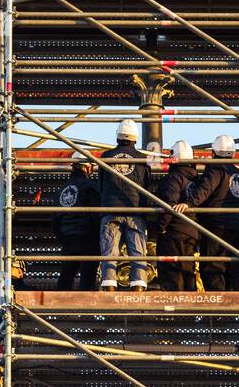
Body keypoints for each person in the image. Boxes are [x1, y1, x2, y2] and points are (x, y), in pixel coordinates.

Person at [182, 133, 239, 291]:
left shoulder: (216, 170)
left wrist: (188, 203)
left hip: (217, 225)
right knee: (233, 267)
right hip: (237, 227)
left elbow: (205, 190)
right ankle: (232, 308)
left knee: (212, 267)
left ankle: (219, 309)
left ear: (213, 152)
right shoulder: (237, 172)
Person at [98, 120, 150, 291]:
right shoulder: (142, 159)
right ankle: (139, 286)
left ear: (118, 136)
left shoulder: (106, 157)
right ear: (135, 137)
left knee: (109, 251)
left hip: (110, 209)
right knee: (137, 252)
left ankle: (109, 285)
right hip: (135, 209)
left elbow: (101, 183)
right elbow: (146, 185)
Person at [156, 141, 201, 291]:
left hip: (174, 231)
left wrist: (161, 227)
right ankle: (188, 311)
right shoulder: (197, 181)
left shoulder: (174, 178)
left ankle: (175, 311)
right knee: (188, 271)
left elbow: (170, 203)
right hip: (192, 232)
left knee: (172, 273)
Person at [54, 150, 101, 291]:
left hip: (68, 237)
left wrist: (63, 236)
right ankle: (86, 310)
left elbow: (55, 218)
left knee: (66, 275)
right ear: (87, 167)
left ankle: (60, 308)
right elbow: (96, 214)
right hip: (88, 237)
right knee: (88, 276)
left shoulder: (61, 190)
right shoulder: (90, 186)